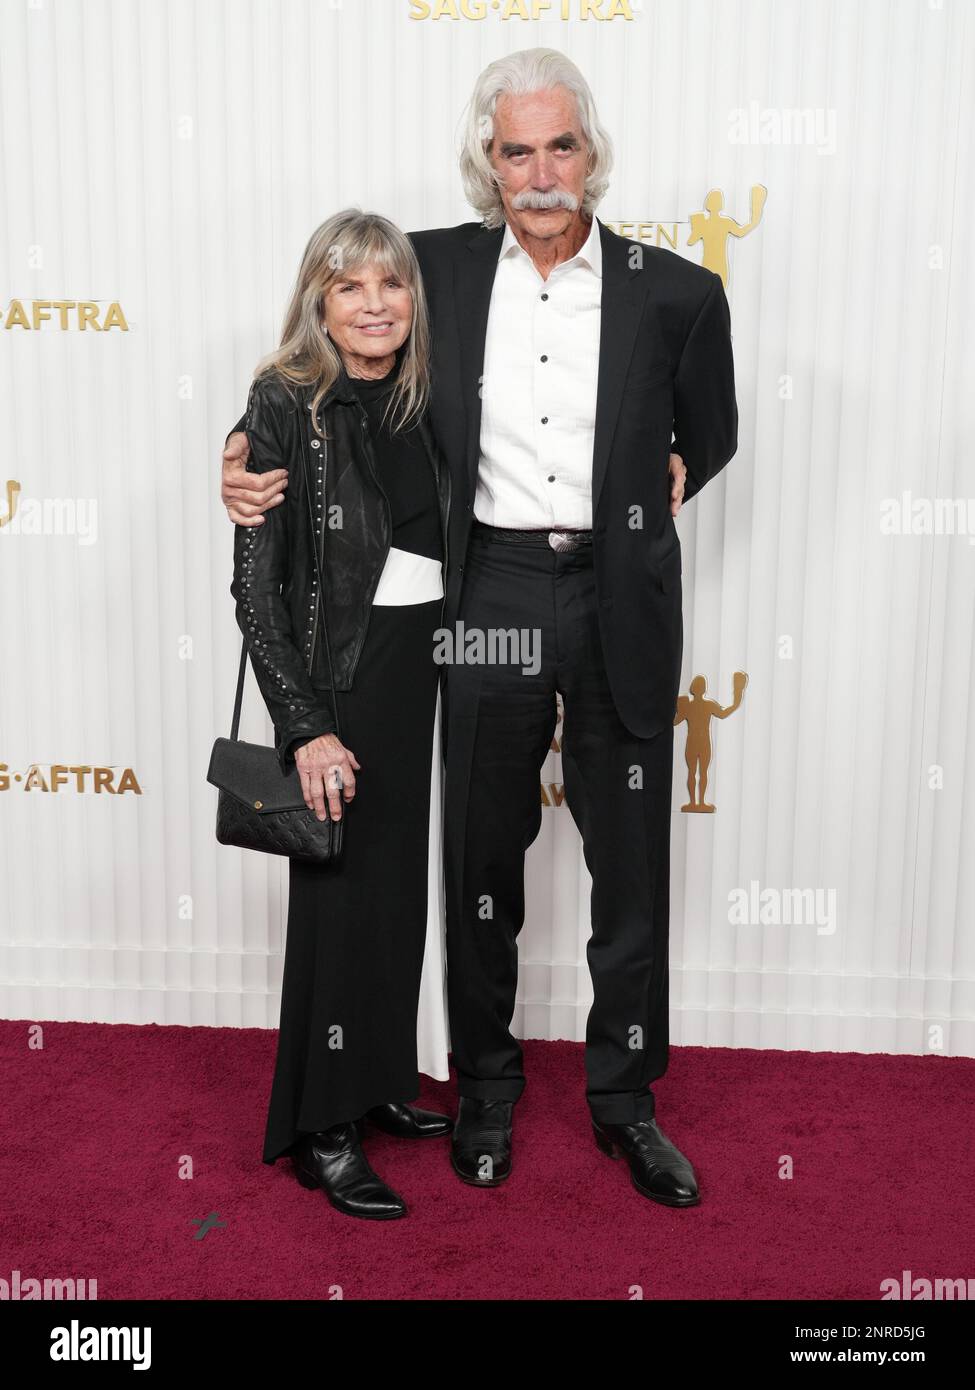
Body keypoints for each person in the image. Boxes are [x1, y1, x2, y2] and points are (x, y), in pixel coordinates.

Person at [223, 48, 737, 1208]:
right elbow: (327, 355)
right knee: (480, 857)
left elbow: (712, 432)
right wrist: (242, 456)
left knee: (631, 863)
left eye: (561, 146)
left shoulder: (679, 291)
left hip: (621, 598)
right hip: (489, 594)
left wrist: (668, 472)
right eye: (517, 150)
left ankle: (625, 1101)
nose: (541, 170)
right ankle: (487, 1094)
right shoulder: (433, 273)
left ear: (591, 153)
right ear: (488, 164)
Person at [226, 208, 453, 1220]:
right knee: (338, 895)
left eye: (391, 285)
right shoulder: (283, 402)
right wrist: (306, 722)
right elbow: (255, 587)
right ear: (319, 299)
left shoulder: (423, 394)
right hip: (338, 680)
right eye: (350, 286)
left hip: (421, 670)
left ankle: (373, 1082)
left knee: (396, 888)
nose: (374, 305)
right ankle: (323, 1127)